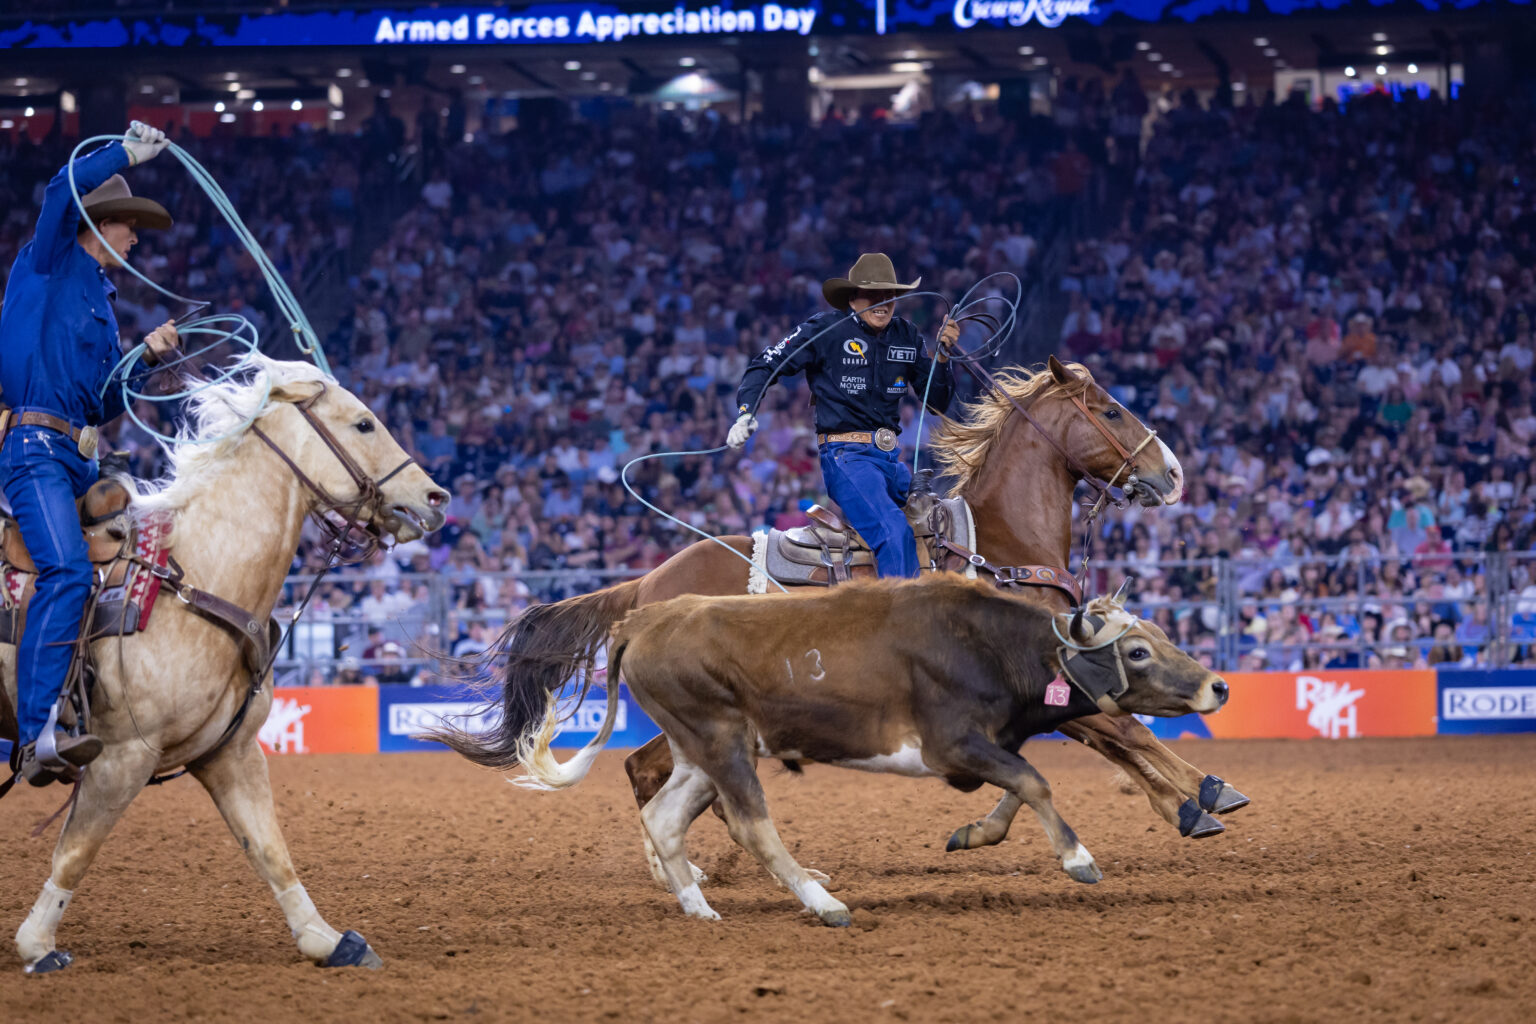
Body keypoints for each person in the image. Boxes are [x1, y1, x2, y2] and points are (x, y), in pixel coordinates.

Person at [0, 122, 181, 786]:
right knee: (69, 572)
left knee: (136, 557)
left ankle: (94, 702)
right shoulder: (45, 261)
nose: (135, 237)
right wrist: (126, 153)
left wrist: (147, 359)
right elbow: (57, 190)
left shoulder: (105, 305)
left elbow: (106, 401)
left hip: (78, 455)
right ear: (98, 224)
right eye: (128, 224)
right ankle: (40, 730)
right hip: (32, 448)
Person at [727, 253, 957, 577]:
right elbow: (767, 363)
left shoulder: (907, 335)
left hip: (892, 462)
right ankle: (904, 621)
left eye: (888, 295)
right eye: (872, 295)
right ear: (852, 298)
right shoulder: (825, 330)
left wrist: (944, 358)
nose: (882, 303)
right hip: (846, 458)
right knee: (893, 531)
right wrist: (745, 412)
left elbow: (937, 403)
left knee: (943, 522)